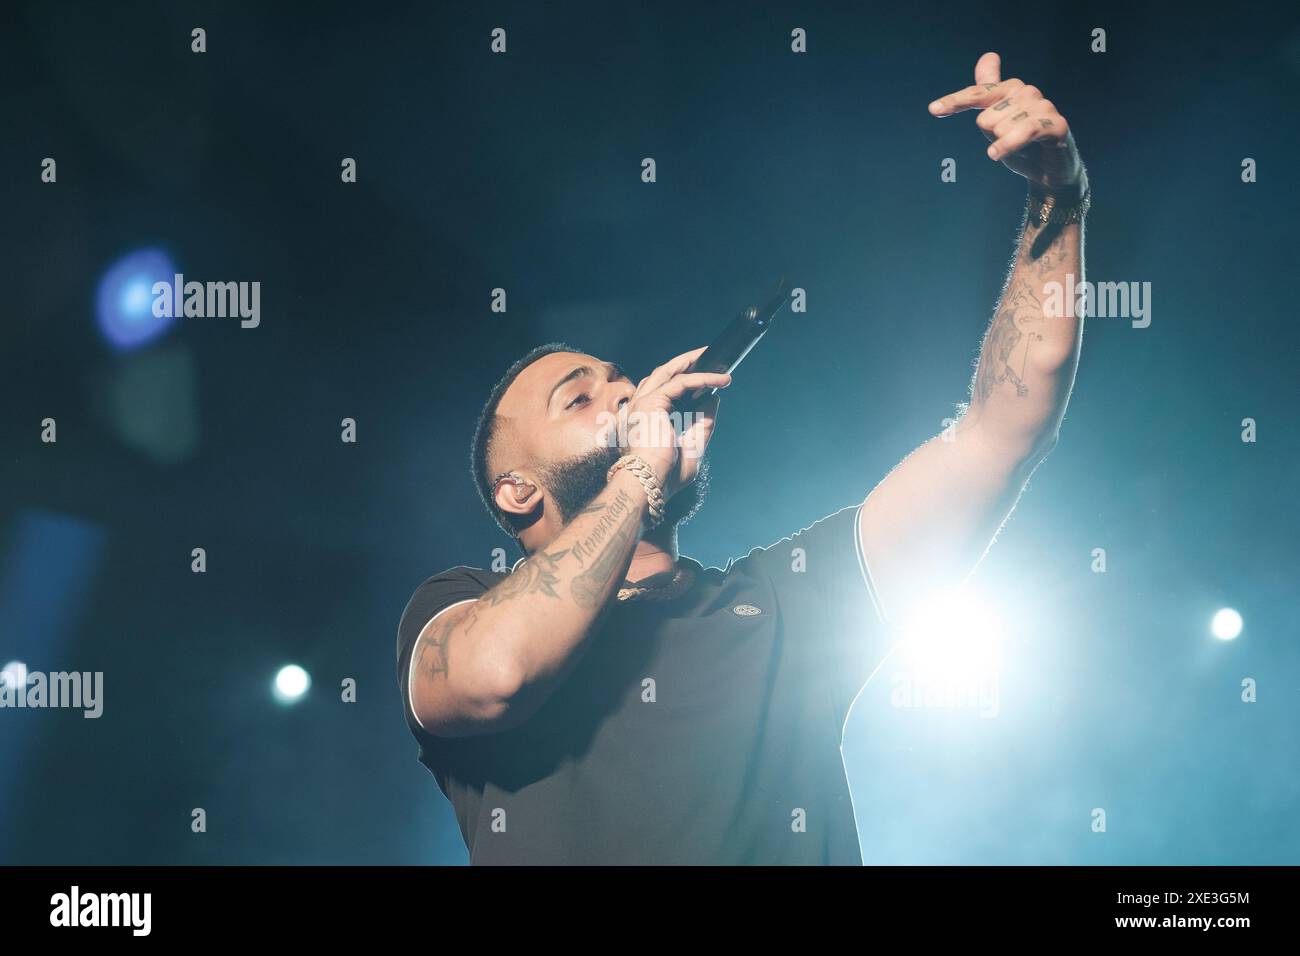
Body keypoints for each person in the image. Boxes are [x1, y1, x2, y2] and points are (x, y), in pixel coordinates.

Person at [396, 52, 1088, 864]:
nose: (623, 394)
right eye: (579, 400)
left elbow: (1001, 429)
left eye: (621, 382)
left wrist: (1060, 197)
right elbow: (499, 673)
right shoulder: (459, 607)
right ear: (516, 493)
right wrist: (639, 477)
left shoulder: (789, 601)